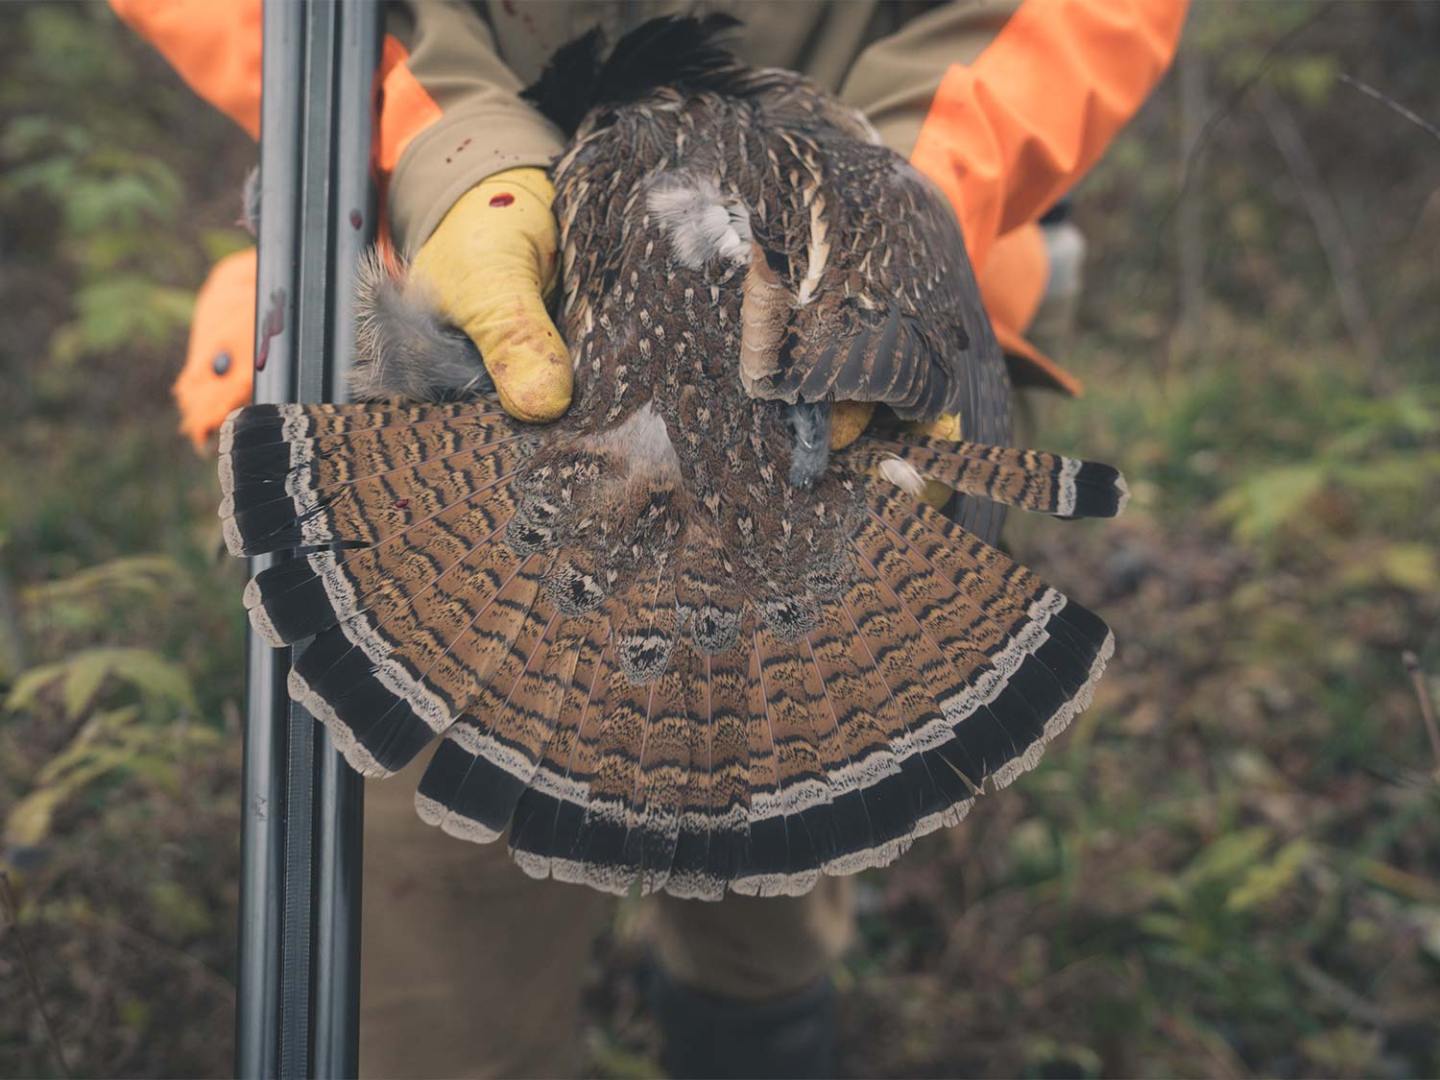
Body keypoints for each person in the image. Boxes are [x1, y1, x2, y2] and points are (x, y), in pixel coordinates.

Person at [114, 1, 1187, 1075]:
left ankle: (757, 1025)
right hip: (467, 380)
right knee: (435, 963)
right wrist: (454, 157)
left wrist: (883, 209)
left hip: (842, 382)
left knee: (778, 858)